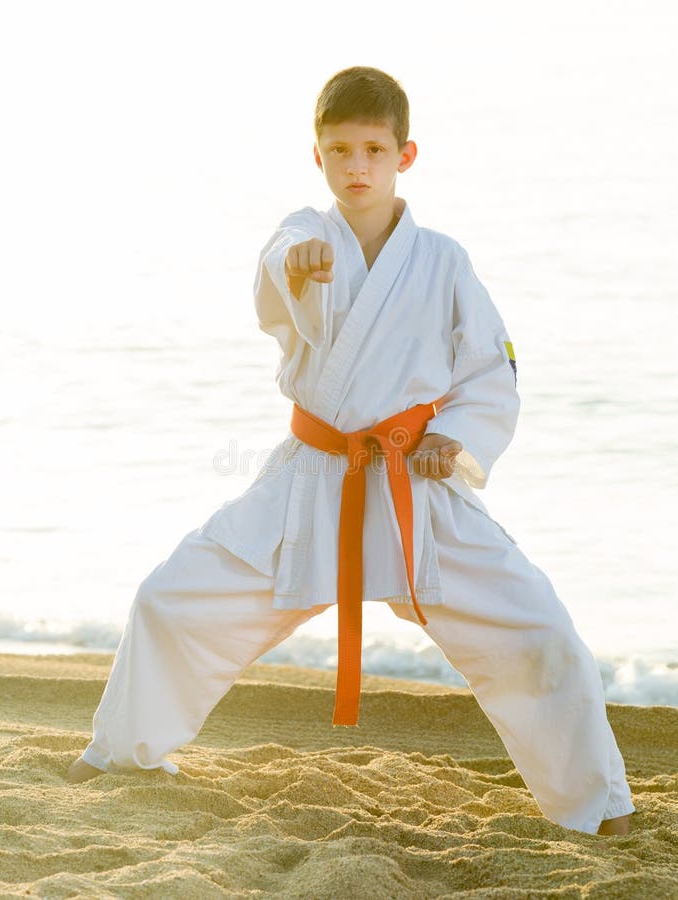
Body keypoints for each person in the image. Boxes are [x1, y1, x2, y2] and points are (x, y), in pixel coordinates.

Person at [67, 65, 635, 837]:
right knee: (172, 598)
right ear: (318, 157)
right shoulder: (303, 236)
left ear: (406, 155)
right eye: (340, 150)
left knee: (538, 630)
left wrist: (453, 438)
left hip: (410, 482)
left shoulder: (442, 260)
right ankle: (126, 751)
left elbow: (490, 369)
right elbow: (281, 267)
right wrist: (296, 270)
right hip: (309, 482)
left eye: (373, 149)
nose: (356, 166)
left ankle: (595, 806)